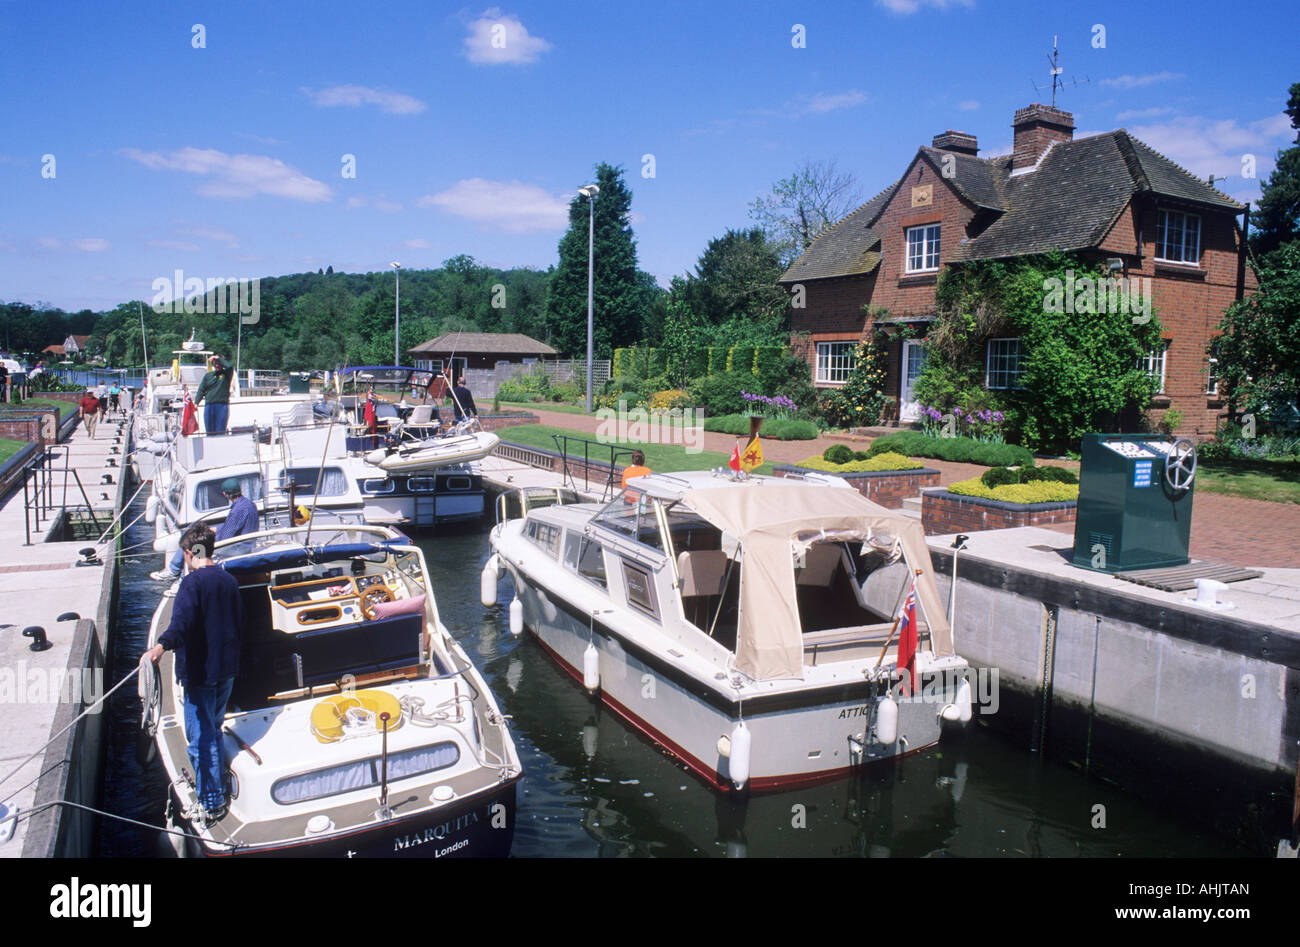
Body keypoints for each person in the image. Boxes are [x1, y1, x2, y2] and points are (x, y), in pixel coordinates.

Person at [143, 523, 243, 822]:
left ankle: (211, 801)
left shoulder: (192, 584)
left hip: (200, 672)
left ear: (189, 553)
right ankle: (219, 778)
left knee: (200, 739)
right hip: (226, 669)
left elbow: (181, 624)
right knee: (213, 727)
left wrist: (160, 647)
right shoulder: (229, 581)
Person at [151, 478, 259, 581]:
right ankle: (177, 573)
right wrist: (212, 529)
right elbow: (235, 527)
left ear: (225, 494)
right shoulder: (249, 504)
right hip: (248, 544)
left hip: (239, 548)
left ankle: (176, 574)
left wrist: (205, 536)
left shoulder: (237, 510)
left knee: (191, 543)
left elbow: (226, 536)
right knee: (194, 535)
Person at [194, 354, 234, 434]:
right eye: (215, 363)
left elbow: (229, 366)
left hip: (222, 406)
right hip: (209, 406)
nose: (217, 365)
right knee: (209, 431)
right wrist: (196, 403)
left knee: (220, 431)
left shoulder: (226, 374)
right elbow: (201, 390)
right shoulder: (208, 376)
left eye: (219, 363)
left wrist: (217, 358)